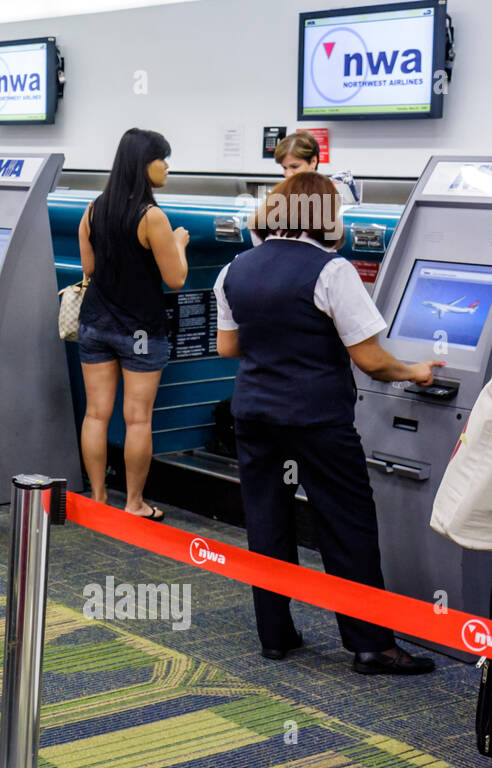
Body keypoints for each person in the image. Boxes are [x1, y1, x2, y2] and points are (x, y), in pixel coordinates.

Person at [216, 170, 439, 675]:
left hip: (253, 413)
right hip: (316, 417)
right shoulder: (331, 271)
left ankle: (276, 636)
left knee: (267, 523)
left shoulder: (235, 269)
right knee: (346, 525)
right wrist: (416, 372)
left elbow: (229, 347)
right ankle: (371, 646)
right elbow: (372, 360)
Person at [77, 128, 189, 520]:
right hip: (140, 330)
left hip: (94, 323)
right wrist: (179, 243)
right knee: (137, 417)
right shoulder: (152, 217)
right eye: (163, 159)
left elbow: (89, 270)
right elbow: (175, 279)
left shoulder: (93, 209)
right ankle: (135, 504)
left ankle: (97, 496)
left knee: (96, 414)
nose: (167, 166)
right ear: (145, 165)